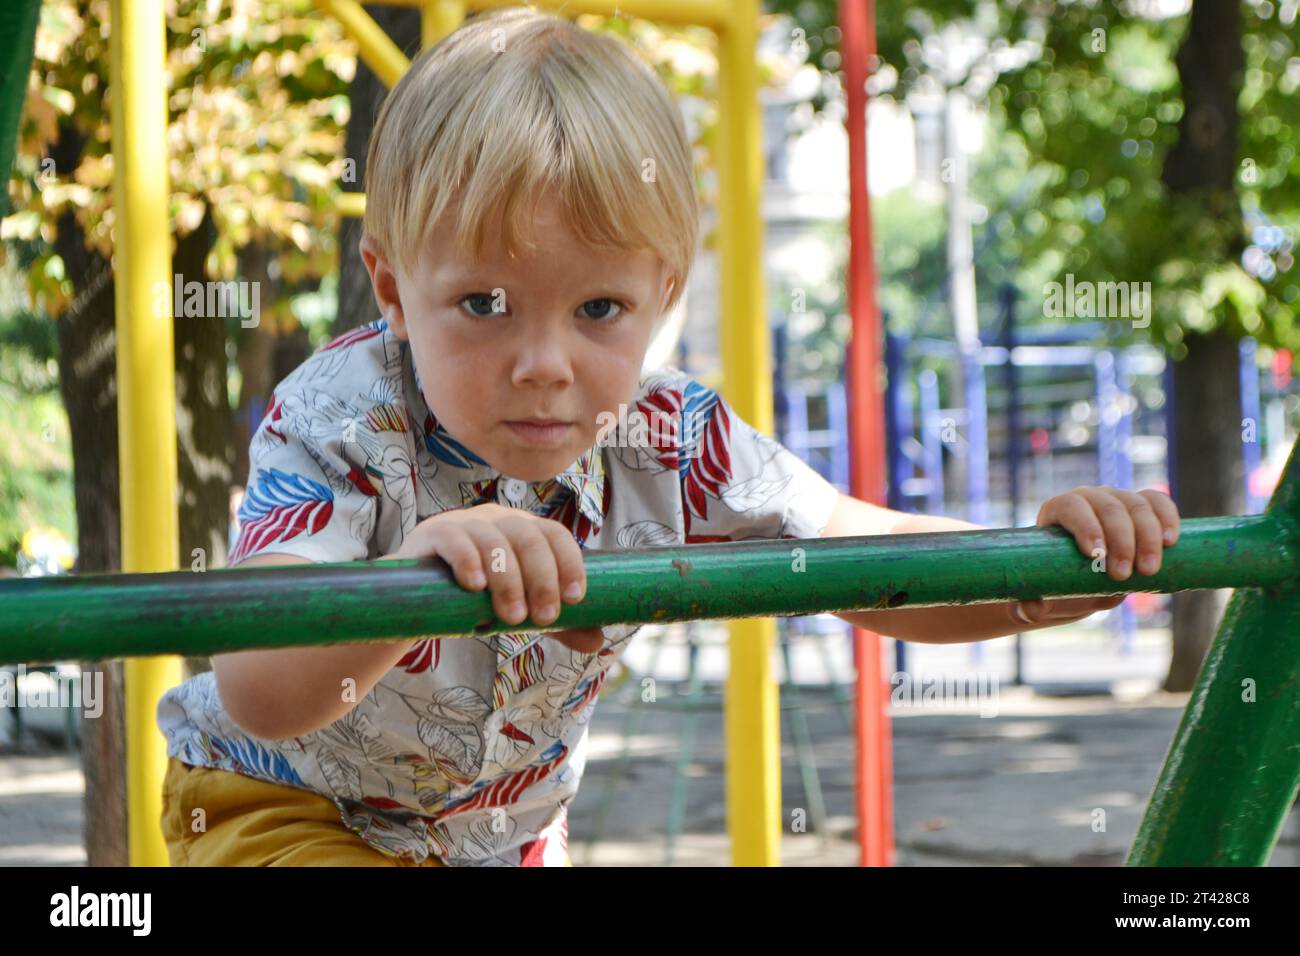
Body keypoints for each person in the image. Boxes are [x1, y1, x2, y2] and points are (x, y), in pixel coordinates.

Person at [156, 7, 1181, 867]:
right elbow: (260, 685)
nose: (545, 361)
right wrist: (405, 583)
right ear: (391, 288)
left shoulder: (670, 437)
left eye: (598, 309)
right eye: (484, 301)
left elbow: (868, 562)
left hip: (499, 835)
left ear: (662, 297)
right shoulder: (344, 414)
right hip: (287, 806)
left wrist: (1039, 574)